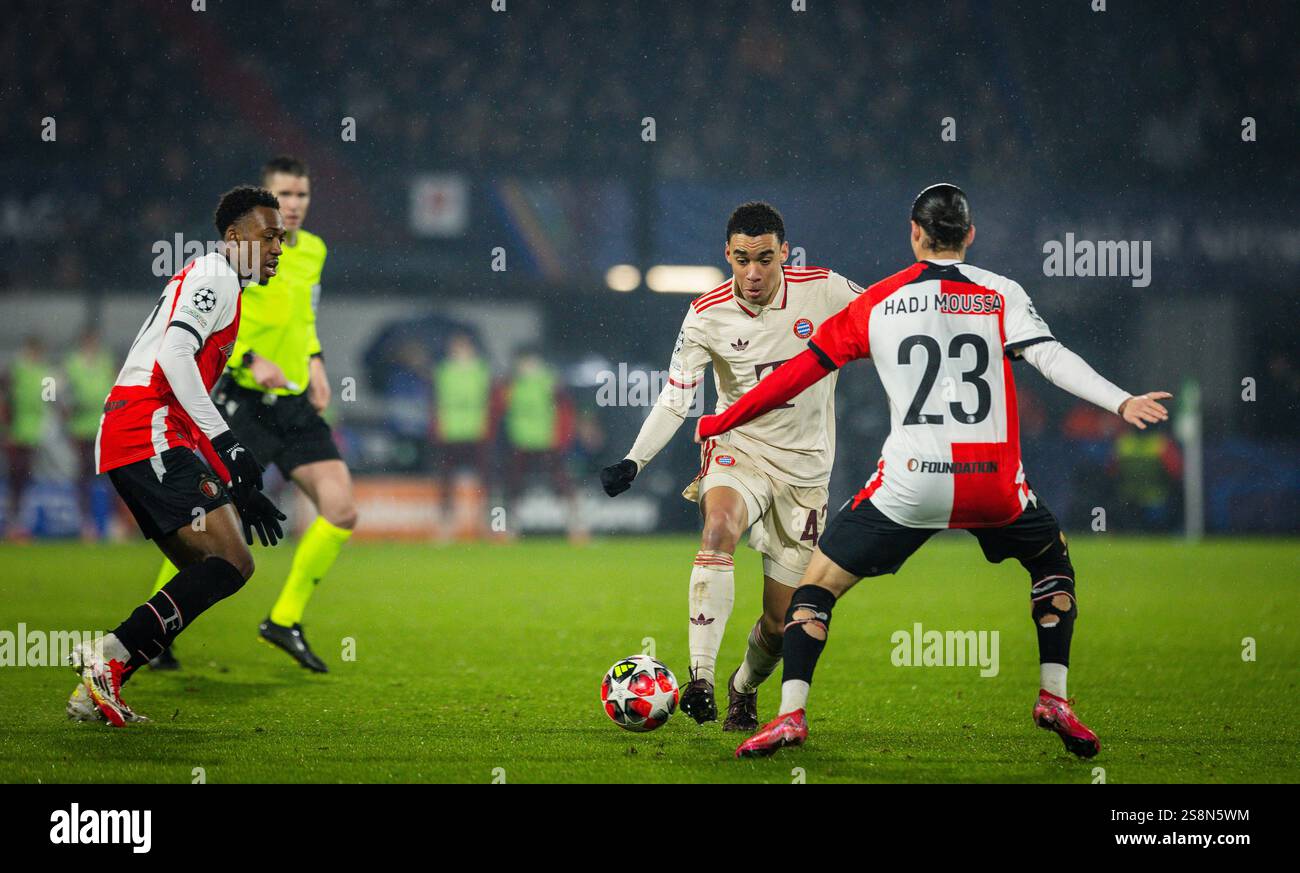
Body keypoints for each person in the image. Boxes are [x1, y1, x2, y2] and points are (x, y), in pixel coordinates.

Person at [695, 184, 1172, 759]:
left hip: (911, 485)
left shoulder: (877, 302)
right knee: (1051, 562)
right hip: (995, 484)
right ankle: (1055, 697)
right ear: (970, 235)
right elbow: (1051, 357)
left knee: (815, 588)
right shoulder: (1001, 293)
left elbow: (793, 376)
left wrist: (725, 416)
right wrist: (1120, 401)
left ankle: (791, 715)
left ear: (914, 233)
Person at [601, 202, 864, 730]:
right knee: (717, 528)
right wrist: (635, 460)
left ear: (784, 254)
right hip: (737, 448)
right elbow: (677, 397)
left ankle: (742, 684)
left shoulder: (828, 290)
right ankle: (699, 675)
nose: (753, 272)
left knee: (779, 622)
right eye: (742, 259)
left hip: (806, 473)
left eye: (765, 259)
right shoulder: (706, 313)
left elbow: (890, 325)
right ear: (728, 254)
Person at [68, 186, 287, 727]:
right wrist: (228, 443)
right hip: (149, 429)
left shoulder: (219, 280)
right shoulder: (216, 274)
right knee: (232, 563)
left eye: (282, 237)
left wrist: (235, 484)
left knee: (212, 567)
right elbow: (174, 355)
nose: (278, 247)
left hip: (144, 433)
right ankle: (110, 655)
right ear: (235, 238)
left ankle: (95, 687)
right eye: (269, 236)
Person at [148, 156, 357, 673]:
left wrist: (317, 363)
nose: (294, 205)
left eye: (302, 195)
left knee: (342, 509)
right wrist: (245, 359)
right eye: (285, 196)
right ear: (265, 202)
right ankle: (158, 629)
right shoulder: (240, 255)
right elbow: (215, 317)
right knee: (208, 524)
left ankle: (283, 621)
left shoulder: (313, 253)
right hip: (244, 403)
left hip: (294, 405)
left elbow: (303, 318)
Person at [63, 328, 118, 540]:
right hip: (80, 430)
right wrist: (68, 418)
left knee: (112, 475)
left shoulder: (105, 361)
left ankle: (113, 522)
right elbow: (62, 395)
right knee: (84, 477)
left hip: (103, 427)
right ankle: (86, 523)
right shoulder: (72, 363)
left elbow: (115, 386)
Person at [3, 335, 50, 540]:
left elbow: (49, 400)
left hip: (34, 436)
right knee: (16, 480)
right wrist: (7, 432)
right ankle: (13, 524)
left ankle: (20, 524)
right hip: (16, 435)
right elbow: (6, 402)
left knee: (26, 480)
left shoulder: (44, 373)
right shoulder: (16, 370)